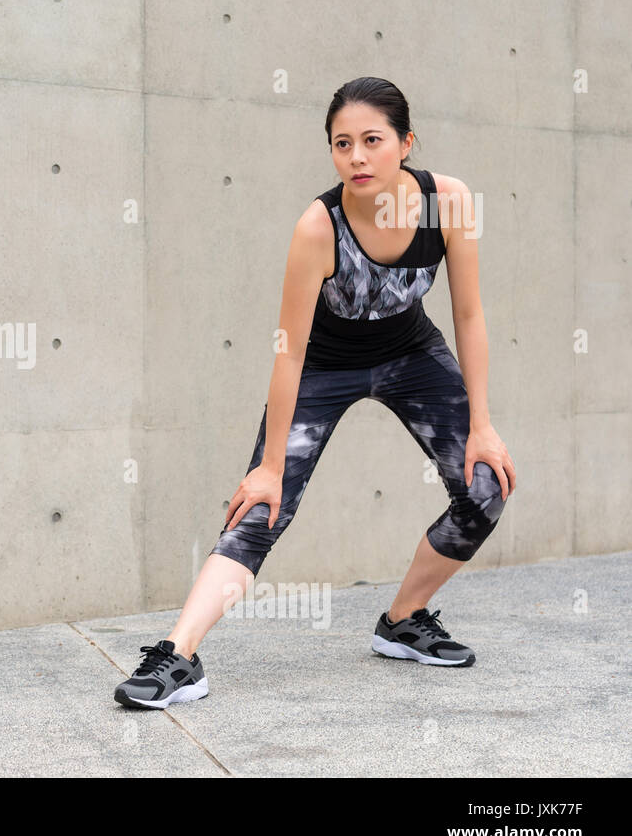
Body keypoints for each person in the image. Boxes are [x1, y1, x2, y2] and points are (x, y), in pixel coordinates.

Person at [115, 77, 517, 710]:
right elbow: (289, 349)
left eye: (372, 141)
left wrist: (484, 424)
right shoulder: (317, 226)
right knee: (263, 506)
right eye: (341, 144)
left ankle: (404, 619)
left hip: (410, 354)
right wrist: (270, 466)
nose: (356, 156)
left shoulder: (450, 201)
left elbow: (468, 314)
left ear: (405, 143)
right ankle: (179, 657)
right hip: (321, 369)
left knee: (486, 488)